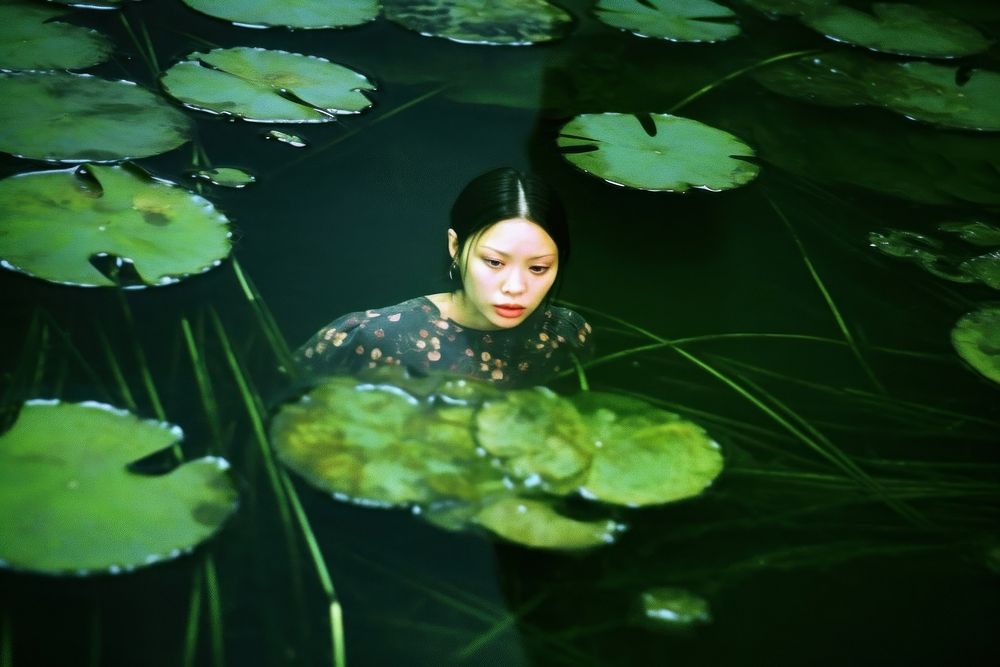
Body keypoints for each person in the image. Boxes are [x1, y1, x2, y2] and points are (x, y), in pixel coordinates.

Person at [294, 167, 592, 388]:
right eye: (494, 262)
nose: (515, 287)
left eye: (538, 268)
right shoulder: (373, 337)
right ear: (455, 246)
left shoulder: (565, 336)